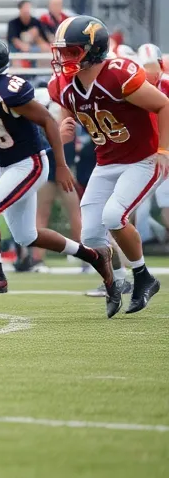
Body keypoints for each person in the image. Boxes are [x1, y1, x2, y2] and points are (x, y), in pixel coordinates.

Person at [0, 37, 112, 296]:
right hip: (6, 166)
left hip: (30, 163)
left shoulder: (9, 91)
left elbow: (47, 121)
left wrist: (61, 165)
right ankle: (94, 256)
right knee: (26, 236)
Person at [48, 16, 169, 315]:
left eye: (72, 51)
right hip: (107, 161)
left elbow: (164, 104)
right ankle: (116, 282)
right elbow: (67, 110)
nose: (65, 58)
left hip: (142, 158)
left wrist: (164, 150)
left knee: (114, 215)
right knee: (89, 236)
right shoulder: (61, 85)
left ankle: (143, 277)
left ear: (94, 50)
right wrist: (63, 125)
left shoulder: (119, 75)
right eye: (62, 51)